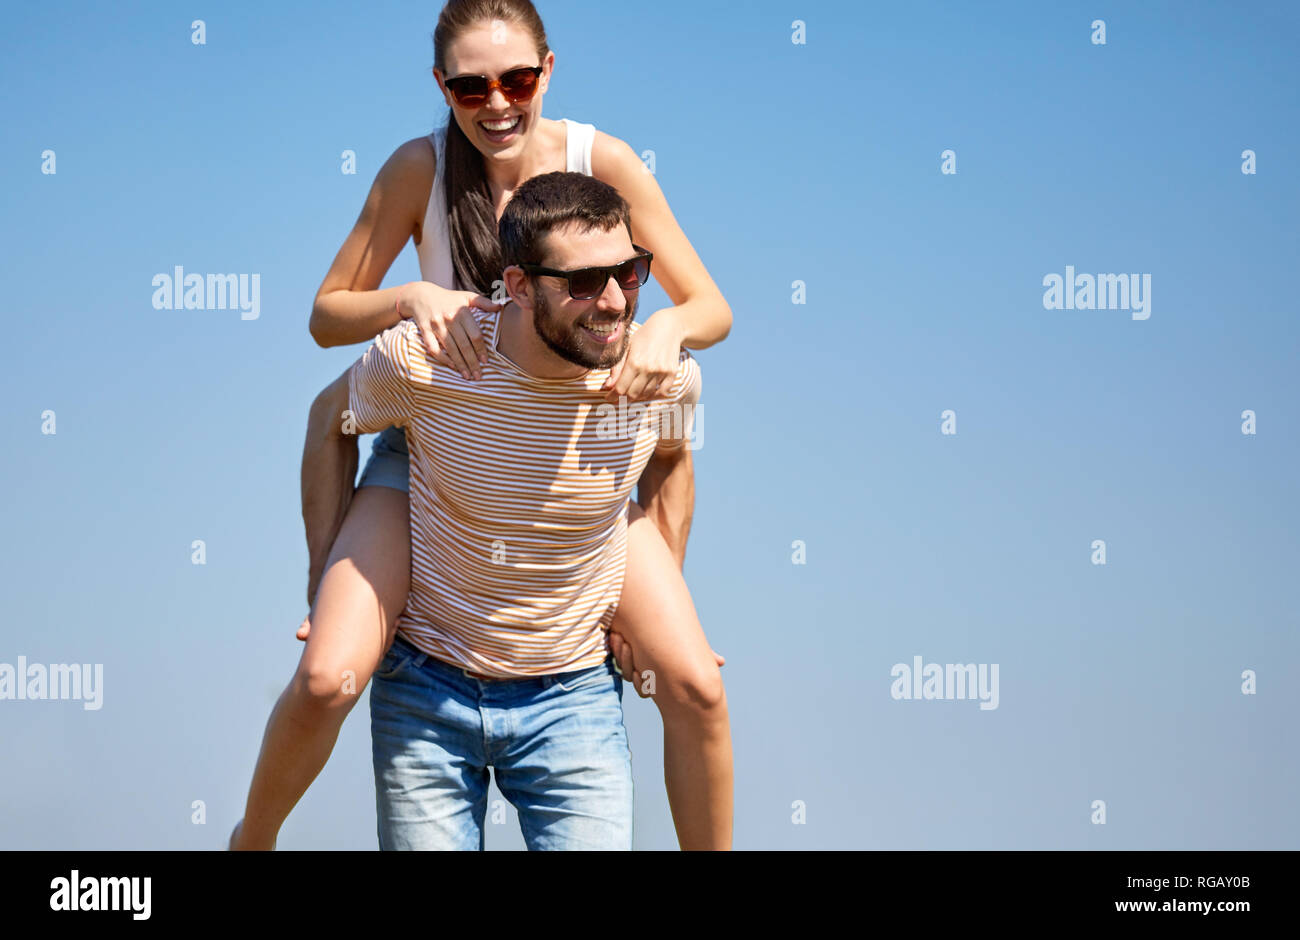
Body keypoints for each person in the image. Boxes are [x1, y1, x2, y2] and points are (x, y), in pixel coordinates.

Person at [230, 0, 733, 850]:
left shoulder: (599, 164)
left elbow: (710, 305)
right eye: (469, 86)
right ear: (441, 85)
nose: (495, 102)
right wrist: (410, 297)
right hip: (435, 434)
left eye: (517, 78)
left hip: (579, 446)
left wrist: (663, 330)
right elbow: (324, 317)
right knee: (328, 674)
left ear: (548, 69)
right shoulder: (417, 170)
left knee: (690, 678)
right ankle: (253, 839)